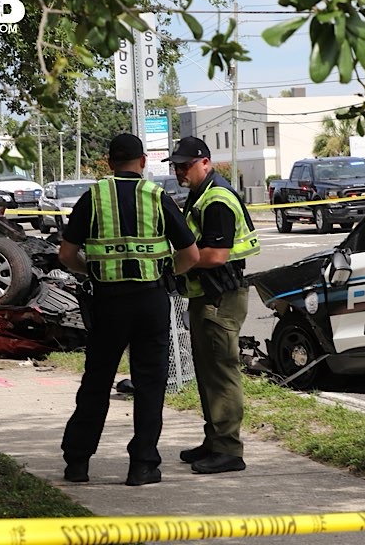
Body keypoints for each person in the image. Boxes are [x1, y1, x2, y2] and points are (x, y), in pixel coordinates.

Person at [58, 133, 199, 487]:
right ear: (143, 162)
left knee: (96, 381)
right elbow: (191, 255)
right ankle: (142, 466)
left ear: (109, 163)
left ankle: (77, 463)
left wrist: (91, 269)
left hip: (108, 301)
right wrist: (168, 272)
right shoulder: (156, 197)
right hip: (150, 300)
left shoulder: (93, 197)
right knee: (150, 384)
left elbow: (65, 255)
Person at [162, 136, 260, 474]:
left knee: (221, 374)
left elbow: (216, 255)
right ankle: (215, 440)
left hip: (222, 297)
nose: (179, 171)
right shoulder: (199, 195)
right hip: (207, 296)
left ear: (206, 162)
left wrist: (174, 263)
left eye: (185, 165)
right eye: (176, 165)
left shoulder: (216, 199)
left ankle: (230, 450)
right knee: (207, 374)